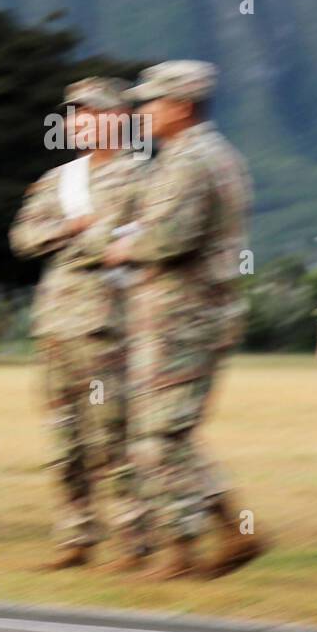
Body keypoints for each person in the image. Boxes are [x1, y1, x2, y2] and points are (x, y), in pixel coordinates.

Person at [104, 60, 265, 580]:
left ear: (181, 107)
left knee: (159, 436)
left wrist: (124, 244)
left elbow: (170, 238)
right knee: (171, 432)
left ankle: (181, 547)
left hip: (183, 316)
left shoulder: (191, 161)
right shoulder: (202, 156)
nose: (141, 111)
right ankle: (233, 530)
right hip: (184, 313)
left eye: (151, 102)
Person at [10, 78, 144, 569]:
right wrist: (71, 228)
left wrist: (85, 241)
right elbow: (23, 238)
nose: (76, 123)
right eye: (73, 114)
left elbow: (122, 242)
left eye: (88, 113)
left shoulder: (141, 179)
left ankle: (135, 534)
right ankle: (76, 535)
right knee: (64, 437)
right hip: (55, 324)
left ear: (117, 119)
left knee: (113, 433)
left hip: (107, 323)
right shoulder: (58, 181)